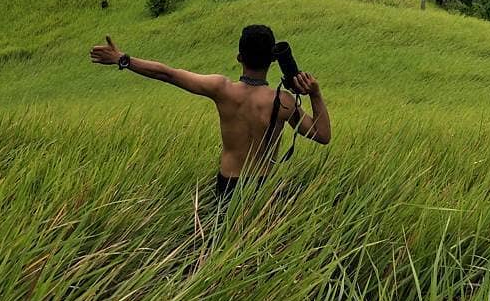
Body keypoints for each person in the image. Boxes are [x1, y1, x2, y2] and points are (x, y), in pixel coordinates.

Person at [89, 24, 331, 201]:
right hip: (263, 187)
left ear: (239, 57)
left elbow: (167, 73)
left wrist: (123, 59)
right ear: (273, 60)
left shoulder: (222, 89)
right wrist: (315, 93)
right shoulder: (284, 102)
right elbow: (322, 135)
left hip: (227, 185)